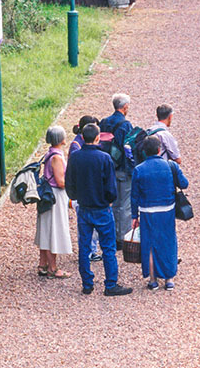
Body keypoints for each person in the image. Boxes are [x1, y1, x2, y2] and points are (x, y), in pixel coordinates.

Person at [65, 123, 133, 296]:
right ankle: (110, 284)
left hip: (84, 207)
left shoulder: (75, 157)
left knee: (84, 246)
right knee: (108, 248)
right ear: (97, 138)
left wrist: (76, 196)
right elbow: (111, 188)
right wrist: (109, 201)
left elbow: (70, 184)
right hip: (102, 208)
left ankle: (87, 284)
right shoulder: (104, 158)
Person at [131, 136, 189, 290]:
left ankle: (152, 280)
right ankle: (169, 279)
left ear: (144, 151)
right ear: (159, 149)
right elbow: (184, 184)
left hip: (146, 211)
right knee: (168, 242)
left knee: (149, 245)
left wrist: (134, 216)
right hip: (167, 210)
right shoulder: (170, 166)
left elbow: (134, 196)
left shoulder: (138, 169)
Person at [35, 126, 73, 279]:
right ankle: (53, 268)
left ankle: (42, 264)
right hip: (55, 196)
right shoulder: (57, 157)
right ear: (60, 139)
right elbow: (61, 181)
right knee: (54, 231)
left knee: (45, 229)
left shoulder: (49, 153)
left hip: (47, 195)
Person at [99, 93, 134, 248]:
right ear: (125, 107)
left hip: (106, 169)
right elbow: (128, 150)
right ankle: (122, 238)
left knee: (108, 204)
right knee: (123, 204)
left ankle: (109, 234)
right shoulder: (126, 126)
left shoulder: (103, 122)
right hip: (121, 170)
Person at [69, 115, 102, 262]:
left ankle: (91, 250)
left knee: (89, 225)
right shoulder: (77, 146)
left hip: (83, 190)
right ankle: (88, 251)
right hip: (83, 190)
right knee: (86, 226)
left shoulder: (79, 144)